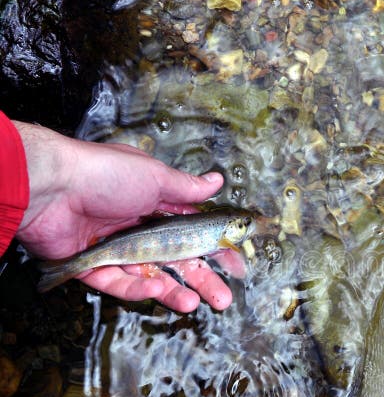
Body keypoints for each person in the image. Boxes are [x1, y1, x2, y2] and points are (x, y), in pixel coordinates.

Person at [0, 110, 243, 313]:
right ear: (233, 228)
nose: (248, 228)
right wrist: (63, 177)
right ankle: (65, 267)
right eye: (246, 224)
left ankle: (61, 267)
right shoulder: (222, 238)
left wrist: (55, 179)